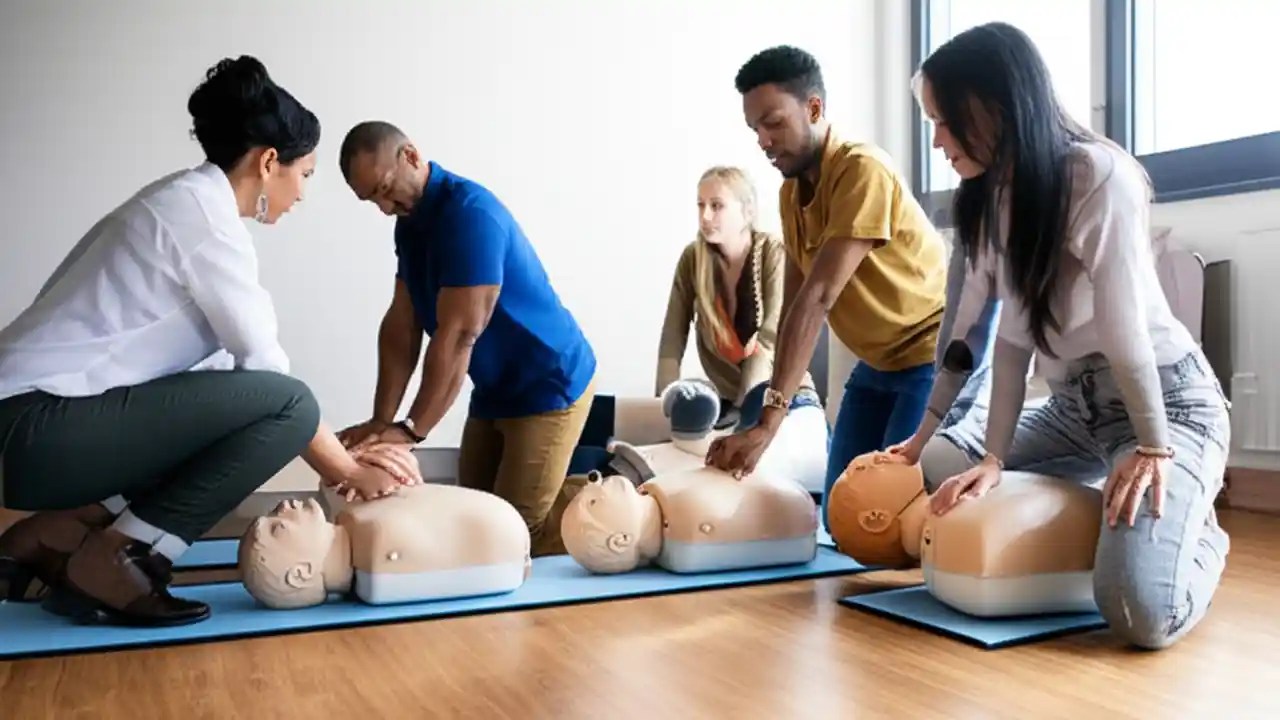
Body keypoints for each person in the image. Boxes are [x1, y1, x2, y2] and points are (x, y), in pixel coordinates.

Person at [0, 56, 420, 628]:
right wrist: (348, 470)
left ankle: (53, 535)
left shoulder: (185, 202)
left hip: (31, 429)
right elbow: (273, 380)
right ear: (268, 162)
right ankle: (120, 557)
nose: (302, 193)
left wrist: (343, 454)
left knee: (245, 408)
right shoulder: (203, 219)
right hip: (30, 429)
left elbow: (230, 384)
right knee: (290, 403)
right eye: (306, 174)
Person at [888, 22, 1231, 650]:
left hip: (1167, 408)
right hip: (1074, 410)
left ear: (993, 107)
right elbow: (1002, 344)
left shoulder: (1099, 175)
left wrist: (1154, 447)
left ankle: (1198, 535)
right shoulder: (994, 197)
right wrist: (977, 454)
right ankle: (1130, 513)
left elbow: (1123, 325)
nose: (936, 141)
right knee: (942, 466)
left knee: (1140, 612)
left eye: (944, 121)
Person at [705, 45, 995, 529]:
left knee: (885, 515)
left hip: (928, 360)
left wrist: (769, 425)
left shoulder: (863, 169)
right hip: (876, 365)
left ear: (814, 108)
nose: (763, 140)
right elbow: (795, 307)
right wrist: (764, 414)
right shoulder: (791, 193)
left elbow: (819, 297)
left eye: (773, 123)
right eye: (755, 129)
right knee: (840, 519)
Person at [335, 121, 598, 558]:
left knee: (514, 536)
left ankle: (617, 500)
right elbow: (402, 325)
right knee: (473, 520)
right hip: (495, 389)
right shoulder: (409, 223)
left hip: (549, 383)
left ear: (411, 156)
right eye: (371, 200)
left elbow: (459, 335)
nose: (383, 208)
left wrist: (411, 430)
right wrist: (382, 420)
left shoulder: (471, 216)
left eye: (385, 189)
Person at [655, 165, 823, 426]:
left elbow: (769, 338)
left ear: (748, 212)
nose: (705, 216)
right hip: (730, 404)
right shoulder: (693, 259)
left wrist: (741, 415)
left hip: (783, 400)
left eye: (717, 206)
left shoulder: (773, 253)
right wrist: (663, 406)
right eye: (700, 205)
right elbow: (672, 338)